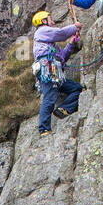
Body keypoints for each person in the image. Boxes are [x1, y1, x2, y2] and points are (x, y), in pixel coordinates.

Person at [32, 9, 82, 138]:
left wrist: (72, 42)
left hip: (55, 73)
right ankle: (44, 129)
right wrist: (74, 27)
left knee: (77, 89)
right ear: (43, 21)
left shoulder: (51, 44)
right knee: (50, 97)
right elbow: (60, 33)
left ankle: (63, 109)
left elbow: (62, 57)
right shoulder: (41, 31)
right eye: (50, 18)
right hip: (48, 69)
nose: (52, 21)